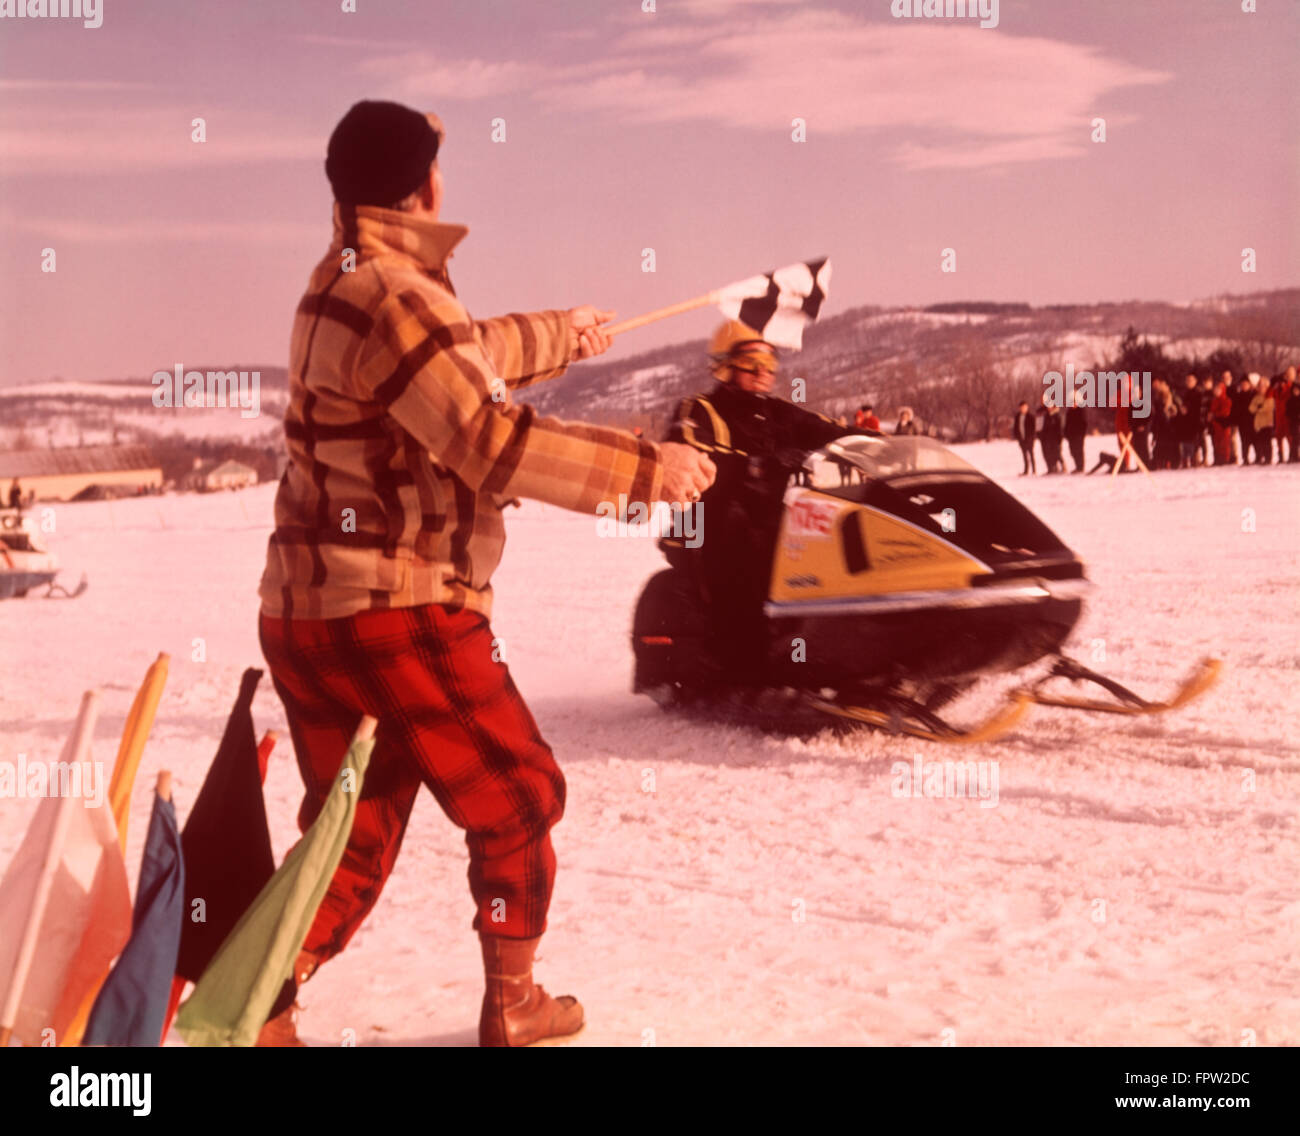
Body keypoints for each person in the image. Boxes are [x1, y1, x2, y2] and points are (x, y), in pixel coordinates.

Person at [256, 101, 714, 1048]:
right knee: (517, 794)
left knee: (353, 828)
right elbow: (487, 438)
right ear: (422, 185)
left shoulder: (340, 282)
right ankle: (512, 1002)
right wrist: (647, 473)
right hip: (401, 602)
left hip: (308, 616)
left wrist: (563, 332)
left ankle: (260, 1008)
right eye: (438, 164)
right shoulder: (396, 292)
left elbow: (458, 353)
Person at [666, 319, 855, 672]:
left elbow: (828, 430)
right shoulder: (698, 409)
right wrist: (758, 465)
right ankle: (748, 662)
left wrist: (874, 442)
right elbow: (692, 456)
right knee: (742, 534)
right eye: (753, 361)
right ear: (726, 364)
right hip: (709, 523)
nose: (763, 371)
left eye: (770, 362)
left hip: (771, 517)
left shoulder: (776, 411)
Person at [1176, 373, 1202, 468]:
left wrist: (1188, 410)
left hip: (1195, 421)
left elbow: (1198, 408)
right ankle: (1186, 460)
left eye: (1191, 380)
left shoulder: (1198, 393)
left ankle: (1194, 460)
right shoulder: (1185, 393)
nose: (1189, 382)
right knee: (1185, 441)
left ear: (1195, 381)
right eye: (1187, 380)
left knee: (1194, 442)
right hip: (1186, 422)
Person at [1231, 374, 1256, 464]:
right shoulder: (1238, 396)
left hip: (1252, 422)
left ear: (1249, 385)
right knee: (1244, 441)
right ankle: (1245, 458)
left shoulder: (1253, 394)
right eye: (1242, 384)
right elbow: (1235, 410)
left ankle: (1258, 456)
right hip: (1242, 422)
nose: (1244, 386)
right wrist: (1235, 420)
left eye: (1246, 384)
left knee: (1254, 440)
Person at [1249, 377, 1274, 464]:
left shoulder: (1269, 396)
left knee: (1267, 442)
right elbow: (1251, 408)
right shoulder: (1256, 397)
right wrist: (1258, 408)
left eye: (1263, 386)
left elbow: (1268, 407)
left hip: (1267, 423)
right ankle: (1262, 457)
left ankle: (1268, 458)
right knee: (1261, 441)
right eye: (1260, 386)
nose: (1261, 388)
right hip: (1259, 424)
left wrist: (1259, 408)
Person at [1209, 379, 1234, 466]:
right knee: (1216, 443)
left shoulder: (1226, 400)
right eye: (1215, 390)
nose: (1216, 392)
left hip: (1223, 424)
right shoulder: (1214, 400)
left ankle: (1225, 459)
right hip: (1215, 425)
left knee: (1224, 443)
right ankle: (1218, 459)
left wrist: (1214, 415)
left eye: (1218, 390)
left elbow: (1225, 412)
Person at [1270, 371, 1292, 464]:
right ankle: (1280, 454)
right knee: (1279, 438)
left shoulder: (1289, 389)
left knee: (1289, 437)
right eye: (1280, 382)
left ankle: (1292, 454)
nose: (1281, 384)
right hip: (1278, 418)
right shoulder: (1275, 391)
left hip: (1287, 417)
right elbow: (1269, 394)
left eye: (1283, 381)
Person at [1064, 395, 1088, 473]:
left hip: (1079, 436)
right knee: (1073, 451)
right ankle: (1077, 466)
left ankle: (1080, 467)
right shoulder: (1069, 412)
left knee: (1079, 451)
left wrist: (1082, 434)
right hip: (1071, 436)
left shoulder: (1080, 411)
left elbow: (1084, 424)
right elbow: (1066, 424)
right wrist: (1065, 433)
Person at [1038, 402, 1064, 474]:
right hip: (1047, 439)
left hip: (1055, 438)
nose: (1049, 408)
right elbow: (1042, 427)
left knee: (1057, 454)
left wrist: (1059, 438)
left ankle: (1062, 467)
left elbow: (1059, 428)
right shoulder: (1046, 415)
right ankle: (1051, 468)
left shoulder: (1057, 415)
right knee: (1048, 454)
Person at [1012, 400, 1036, 474]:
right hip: (1021, 439)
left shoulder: (1031, 416)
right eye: (1022, 407)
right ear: (1020, 408)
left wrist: (1031, 438)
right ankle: (1026, 470)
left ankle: (1034, 470)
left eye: (1024, 407)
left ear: (1027, 407)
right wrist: (1017, 437)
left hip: (1029, 440)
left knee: (1031, 455)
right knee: (1024, 456)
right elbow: (1015, 428)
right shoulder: (1018, 417)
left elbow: (1033, 429)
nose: (1023, 409)